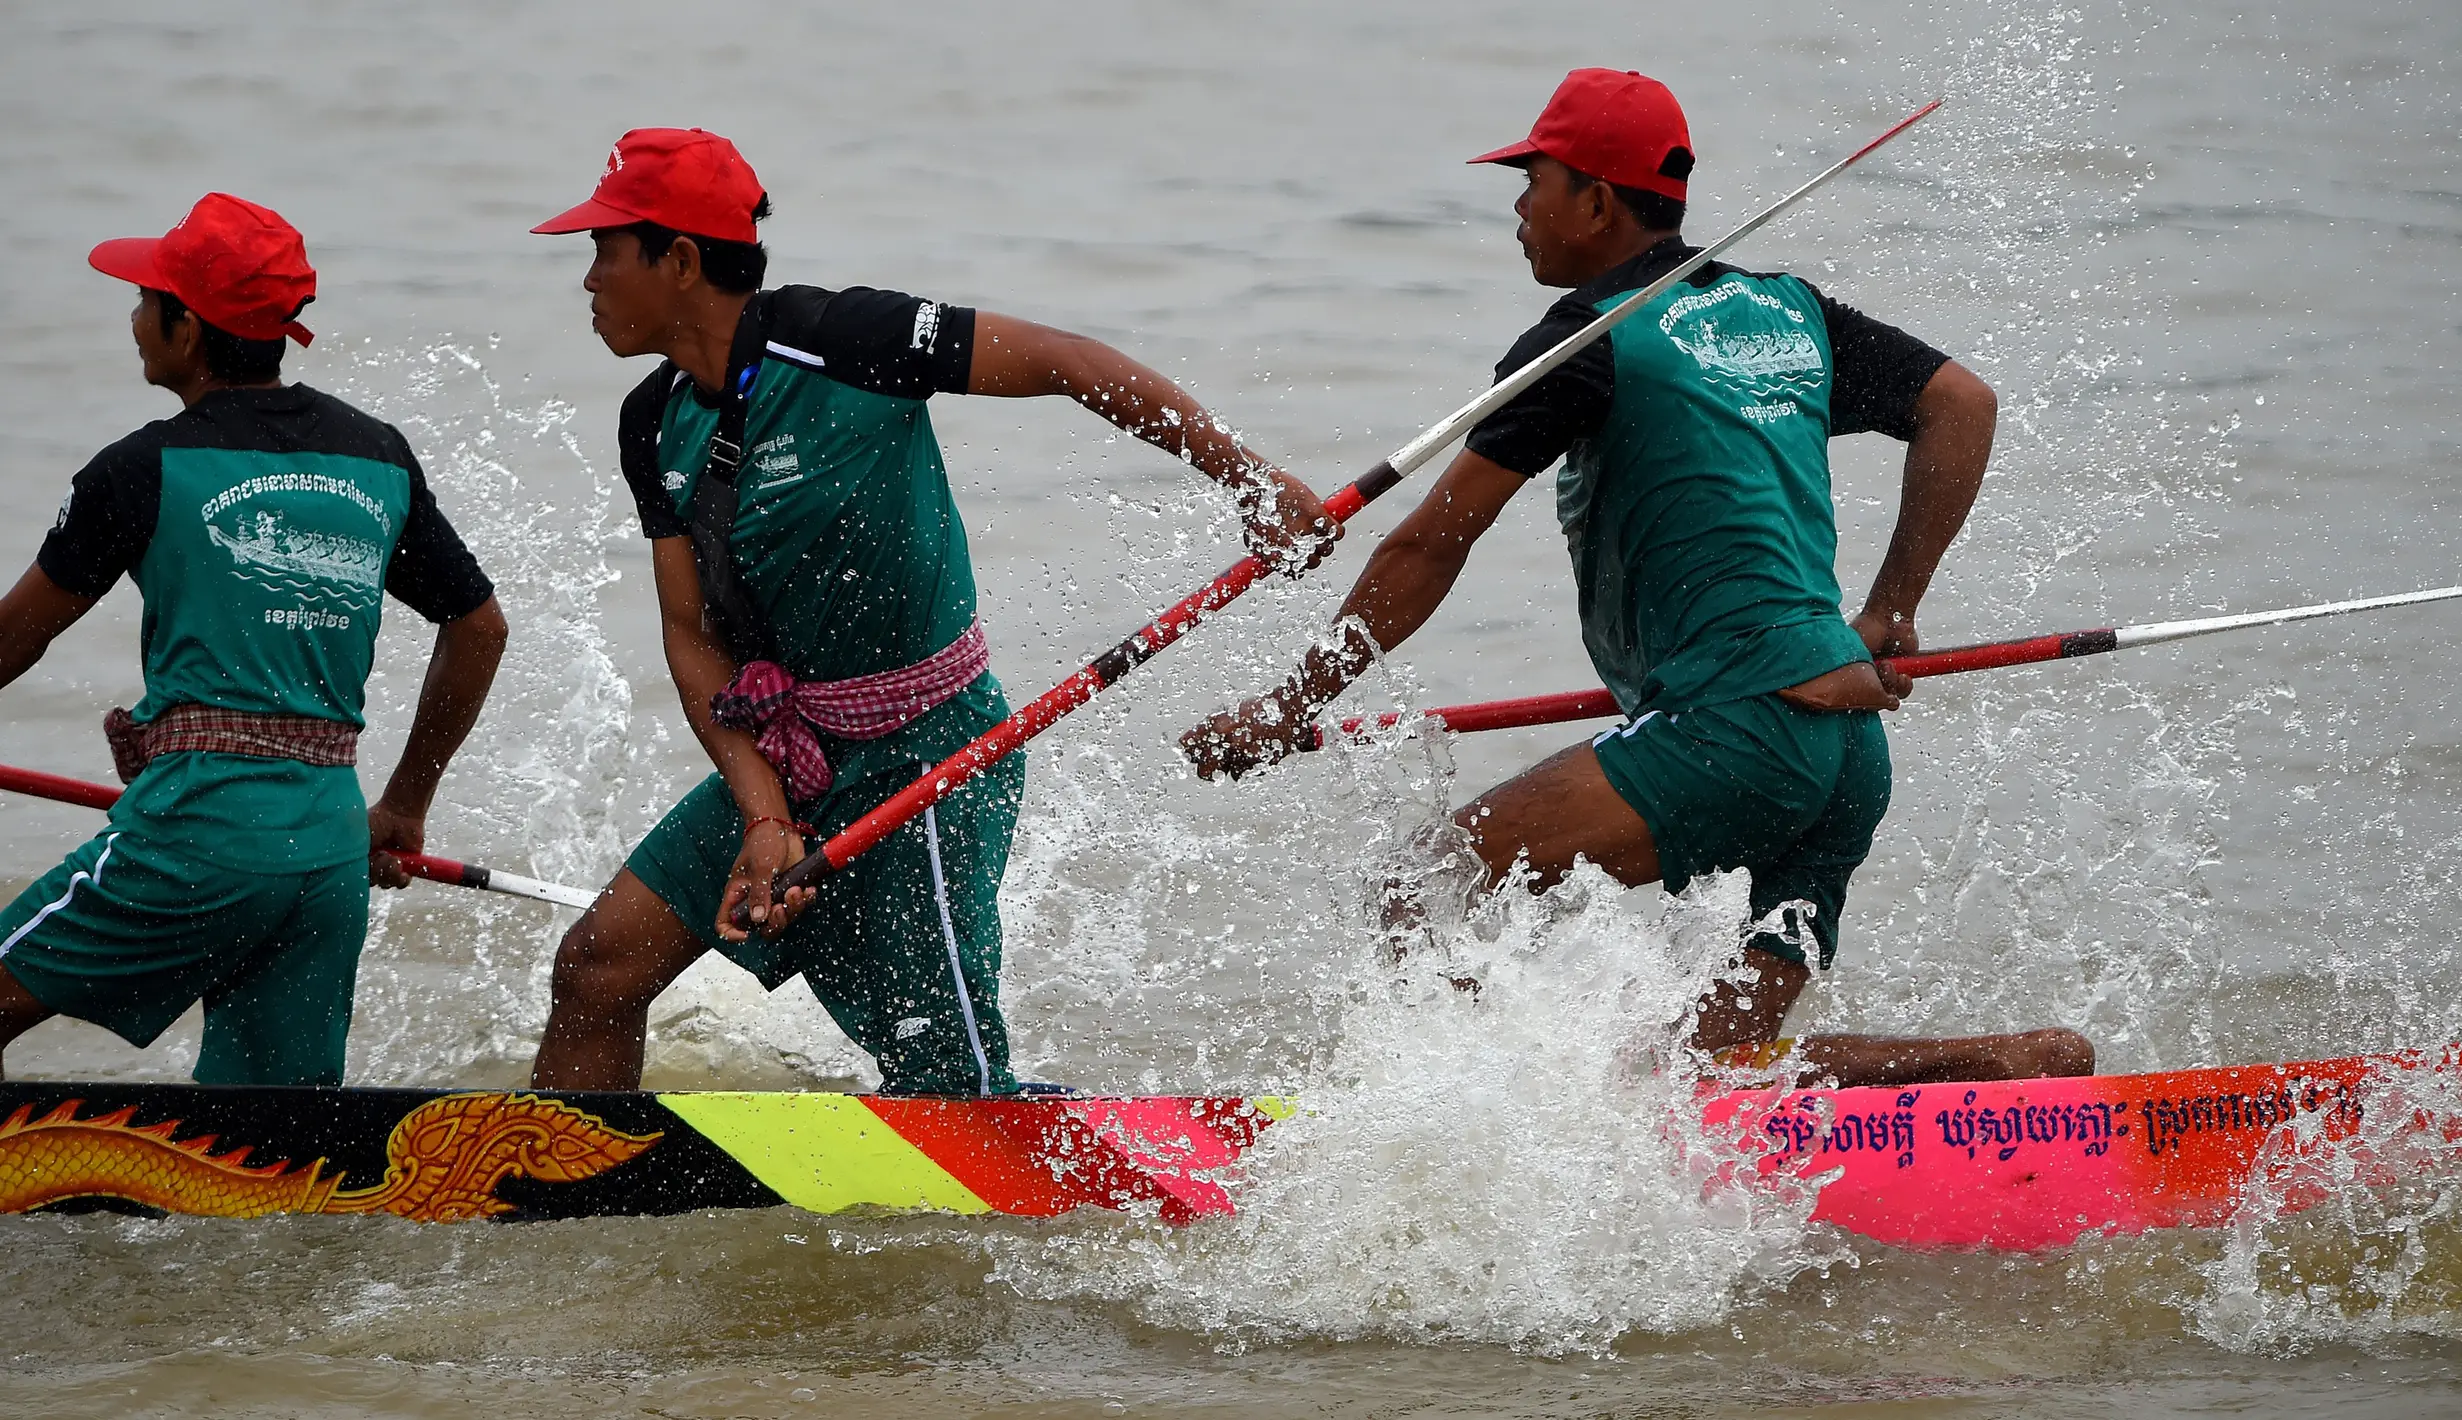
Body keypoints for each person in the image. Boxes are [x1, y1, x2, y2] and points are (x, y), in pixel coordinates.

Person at [1180, 71, 2093, 1088]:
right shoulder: (1789, 316)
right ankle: (2012, 1064)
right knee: (1706, 1073)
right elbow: (1961, 403)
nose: (1519, 209)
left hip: (1736, 728)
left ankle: (1461, 1125)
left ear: (1597, 202)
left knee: (1421, 883)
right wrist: (1890, 609)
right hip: (1846, 748)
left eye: (1534, 181)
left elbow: (1427, 547)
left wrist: (1289, 705)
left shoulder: (1581, 347)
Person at [527, 128, 1335, 1095]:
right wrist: (763, 812)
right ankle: (562, 1173)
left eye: (605, 250)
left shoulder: (846, 337)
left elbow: (1068, 362)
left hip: (933, 753)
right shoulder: (649, 421)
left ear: (682, 261)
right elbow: (691, 635)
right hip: (790, 757)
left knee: (942, 1076)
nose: (589, 280)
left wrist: (1248, 480)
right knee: (596, 967)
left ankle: (1025, 1152)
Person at [0, 193, 508, 1085]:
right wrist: (404, 804)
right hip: (328, 851)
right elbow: (479, 628)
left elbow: (10, 644)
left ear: (188, 329)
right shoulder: (377, 455)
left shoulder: (141, 467)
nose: (133, 319)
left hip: (195, 838)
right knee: (270, 1141)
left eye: (146, 300)